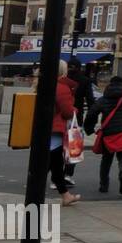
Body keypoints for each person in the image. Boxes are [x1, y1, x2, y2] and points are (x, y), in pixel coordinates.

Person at [85, 76, 122, 195]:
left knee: (106, 159)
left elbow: (92, 112)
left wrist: (89, 128)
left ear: (110, 84)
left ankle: (104, 185)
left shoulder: (105, 98)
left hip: (109, 133)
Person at [49, 61, 82, 206]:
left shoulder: (45, 84)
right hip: (56, 130)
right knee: (53, 163)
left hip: (46, 129)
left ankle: (66, 195)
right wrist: (75, 110)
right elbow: (67, 111)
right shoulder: (62, 87)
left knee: (54, 164)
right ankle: (34, 190)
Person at [63, 60, 92, 186]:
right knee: (73, 148)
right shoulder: (85, 81)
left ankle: (56, 177)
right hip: (76, 118)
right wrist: (89, 120)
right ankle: (68, 175)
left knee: (58, 148)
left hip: (62, 117)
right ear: (80, 67)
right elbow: (90, 101)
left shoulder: (62, 79)